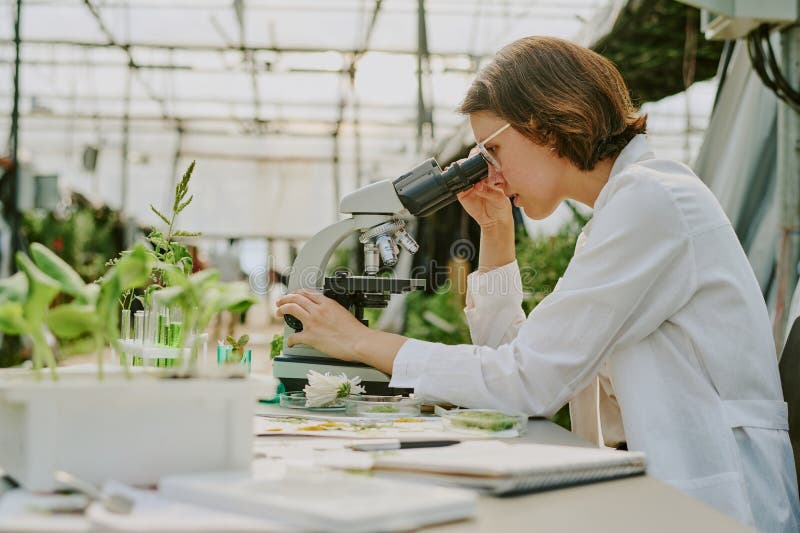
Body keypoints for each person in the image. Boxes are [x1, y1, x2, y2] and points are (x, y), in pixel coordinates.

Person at [276, 36, 800, 531]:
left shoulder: (653, 202)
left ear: (547, 125)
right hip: (666, 495)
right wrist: (496, 234)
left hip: (718, 505)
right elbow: (524, 366)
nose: (488, 172)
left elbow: (527, 384)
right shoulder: (623, 209)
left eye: (492, 151)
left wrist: (361, 341)